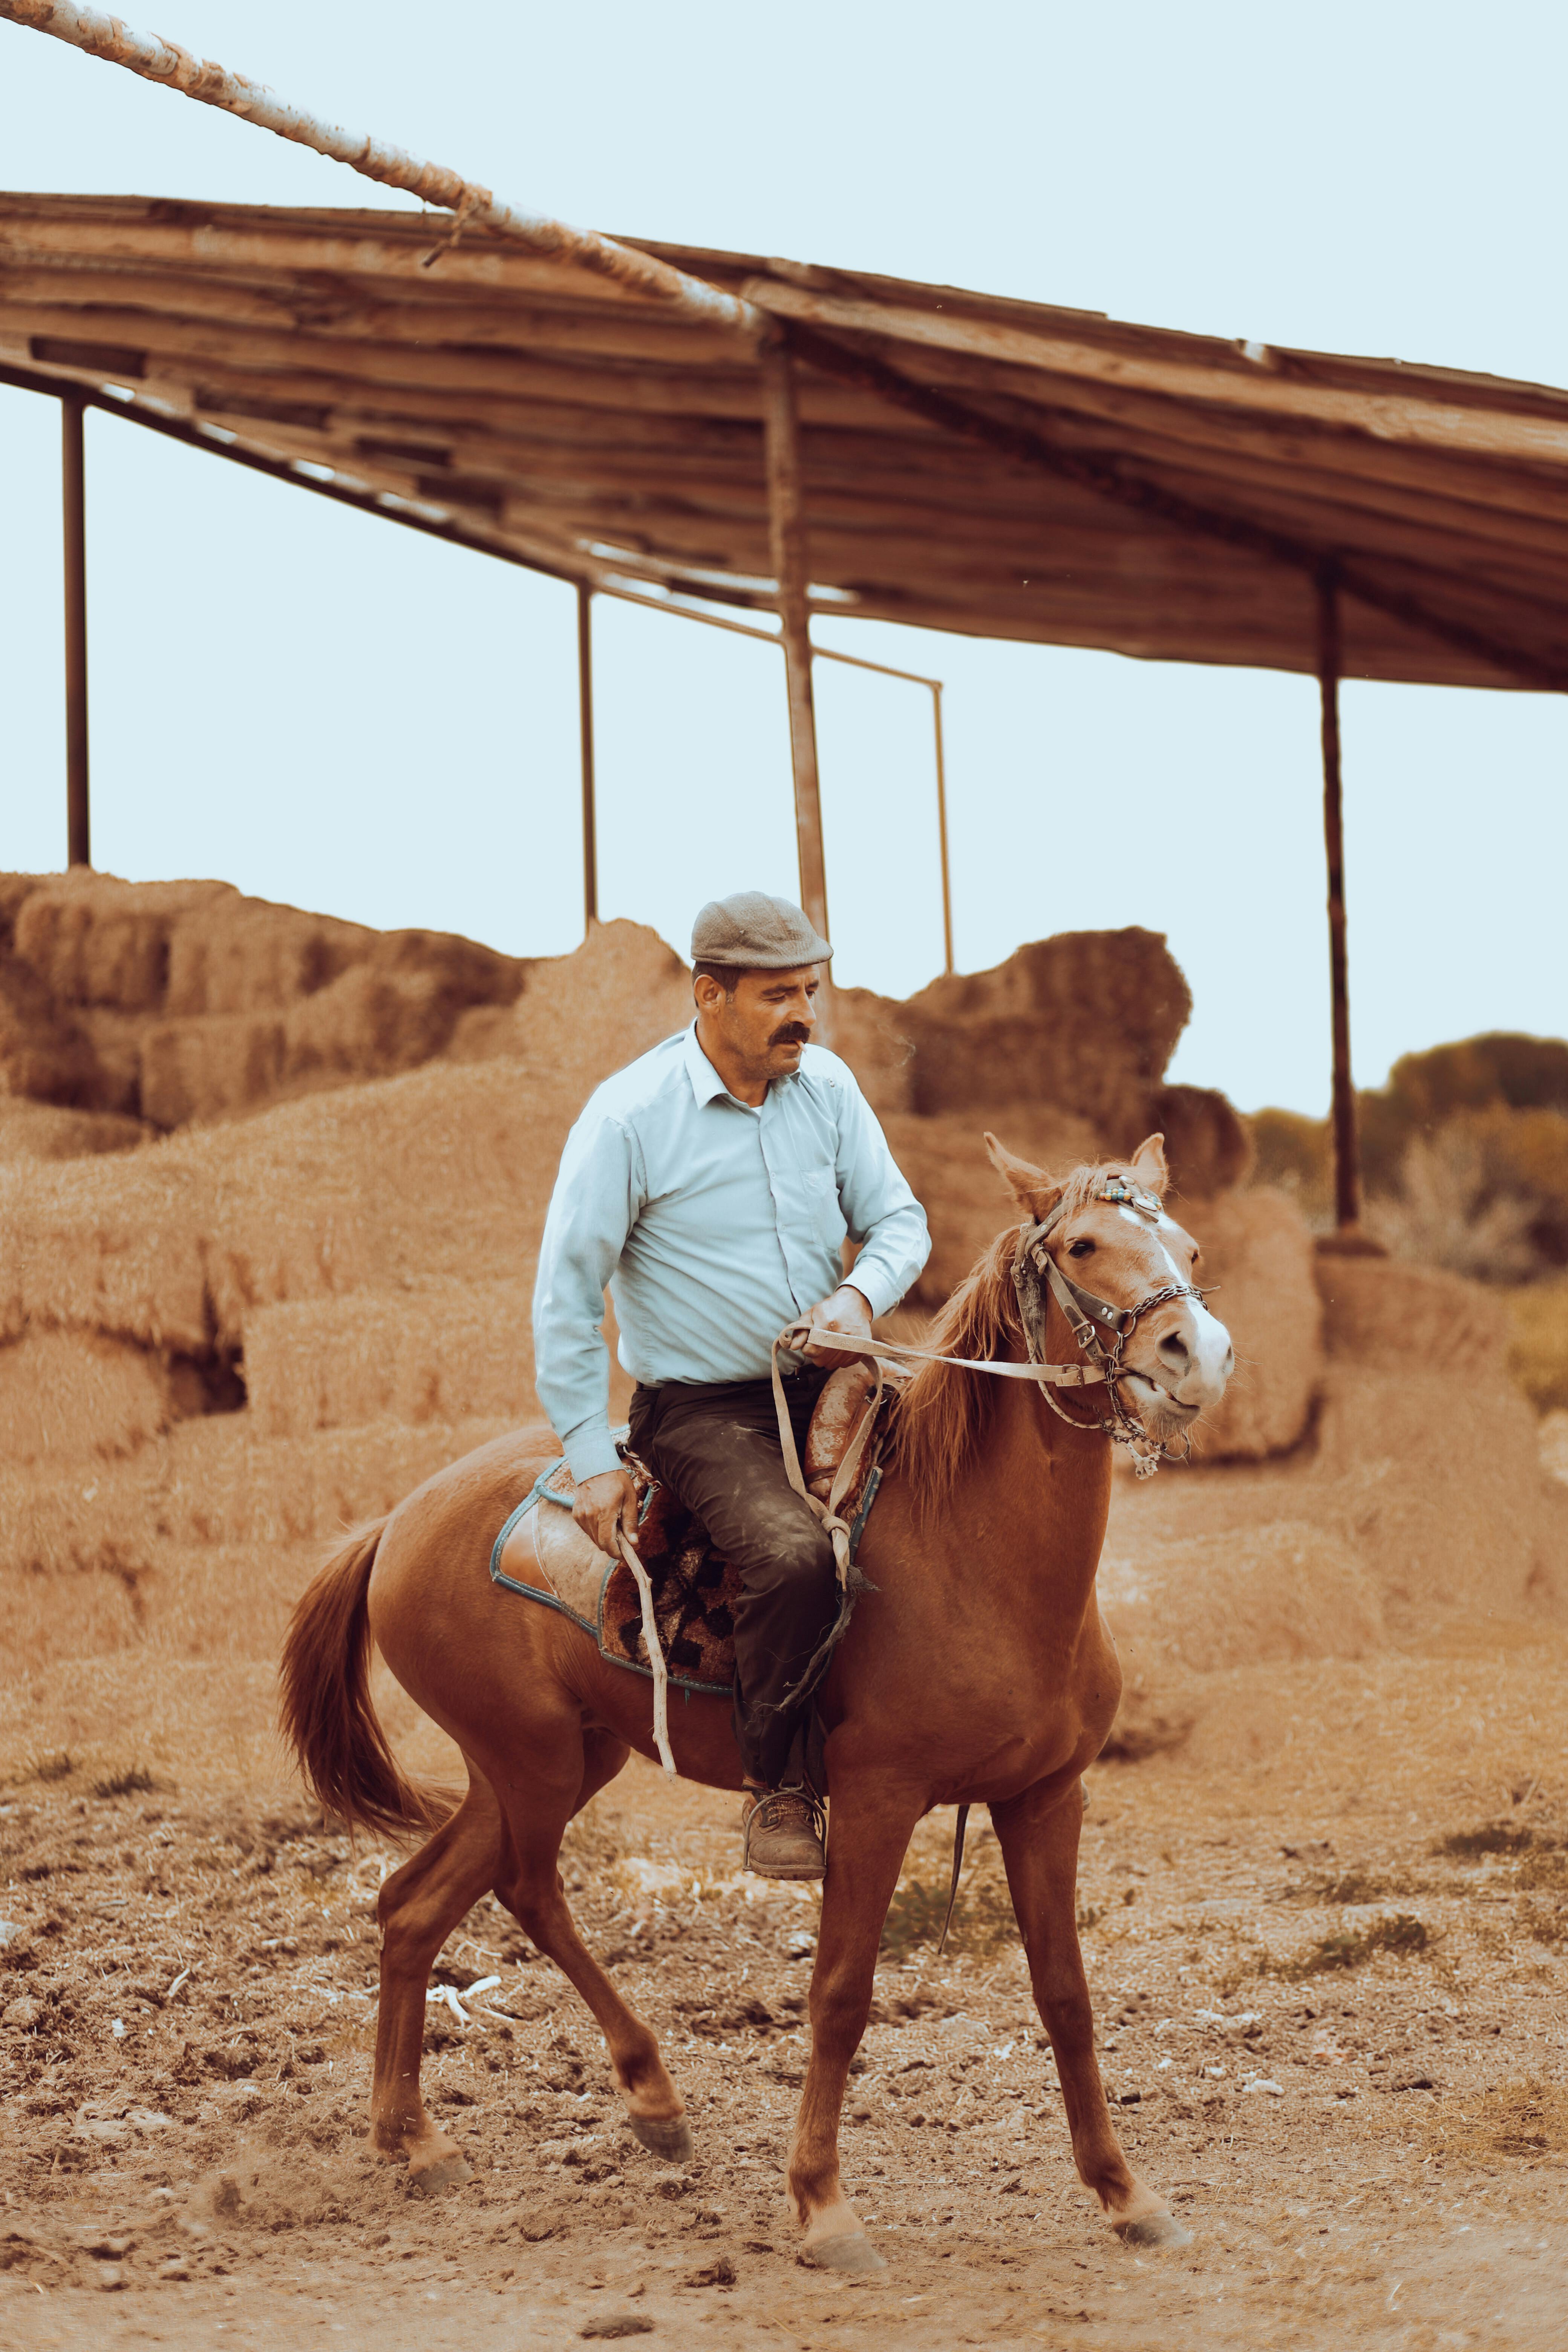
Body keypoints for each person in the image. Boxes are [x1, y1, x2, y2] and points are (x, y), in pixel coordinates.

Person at [532, 890, 931, 1878]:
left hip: (835, 1378)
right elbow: (567, 1297)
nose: (804, 1014)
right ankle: (782, 1790)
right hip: (704, 1410)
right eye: (776, 996)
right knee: (794, 1558)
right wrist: (591, 1461)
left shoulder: (830, 1090)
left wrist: (858, 1300)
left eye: (809, 991)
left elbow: (901, 1224)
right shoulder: (629, 1117)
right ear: (709, 995)